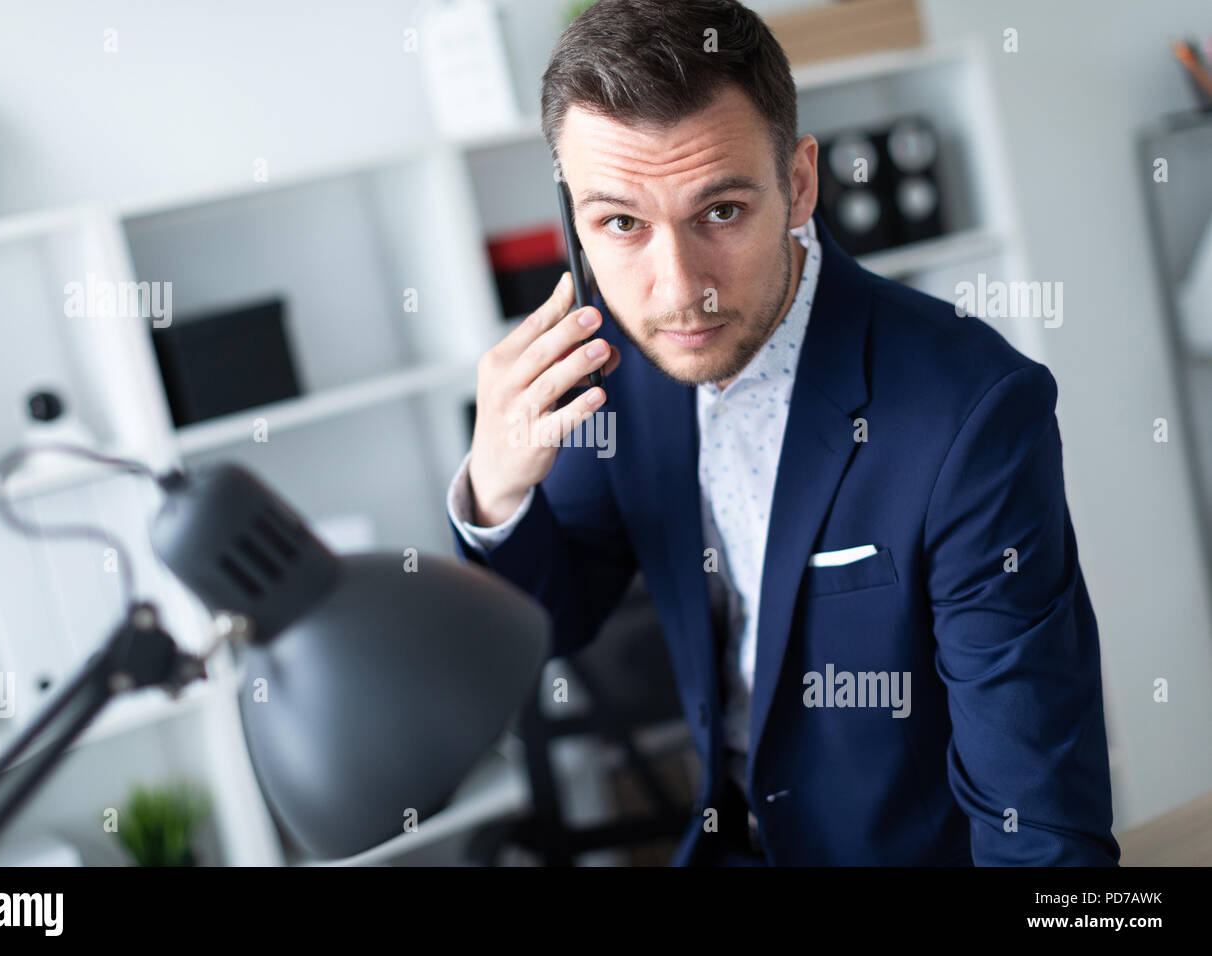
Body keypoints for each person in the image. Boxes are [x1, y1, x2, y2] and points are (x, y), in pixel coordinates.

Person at [446, 0, 1120, 867]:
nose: (678, 290)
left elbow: (1040, 823)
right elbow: (554, 622)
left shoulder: (971, 412)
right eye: (621, 223)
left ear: (799, 183)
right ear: (571, 219)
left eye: (720, 211)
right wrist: (497, 490)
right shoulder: (609, 361)